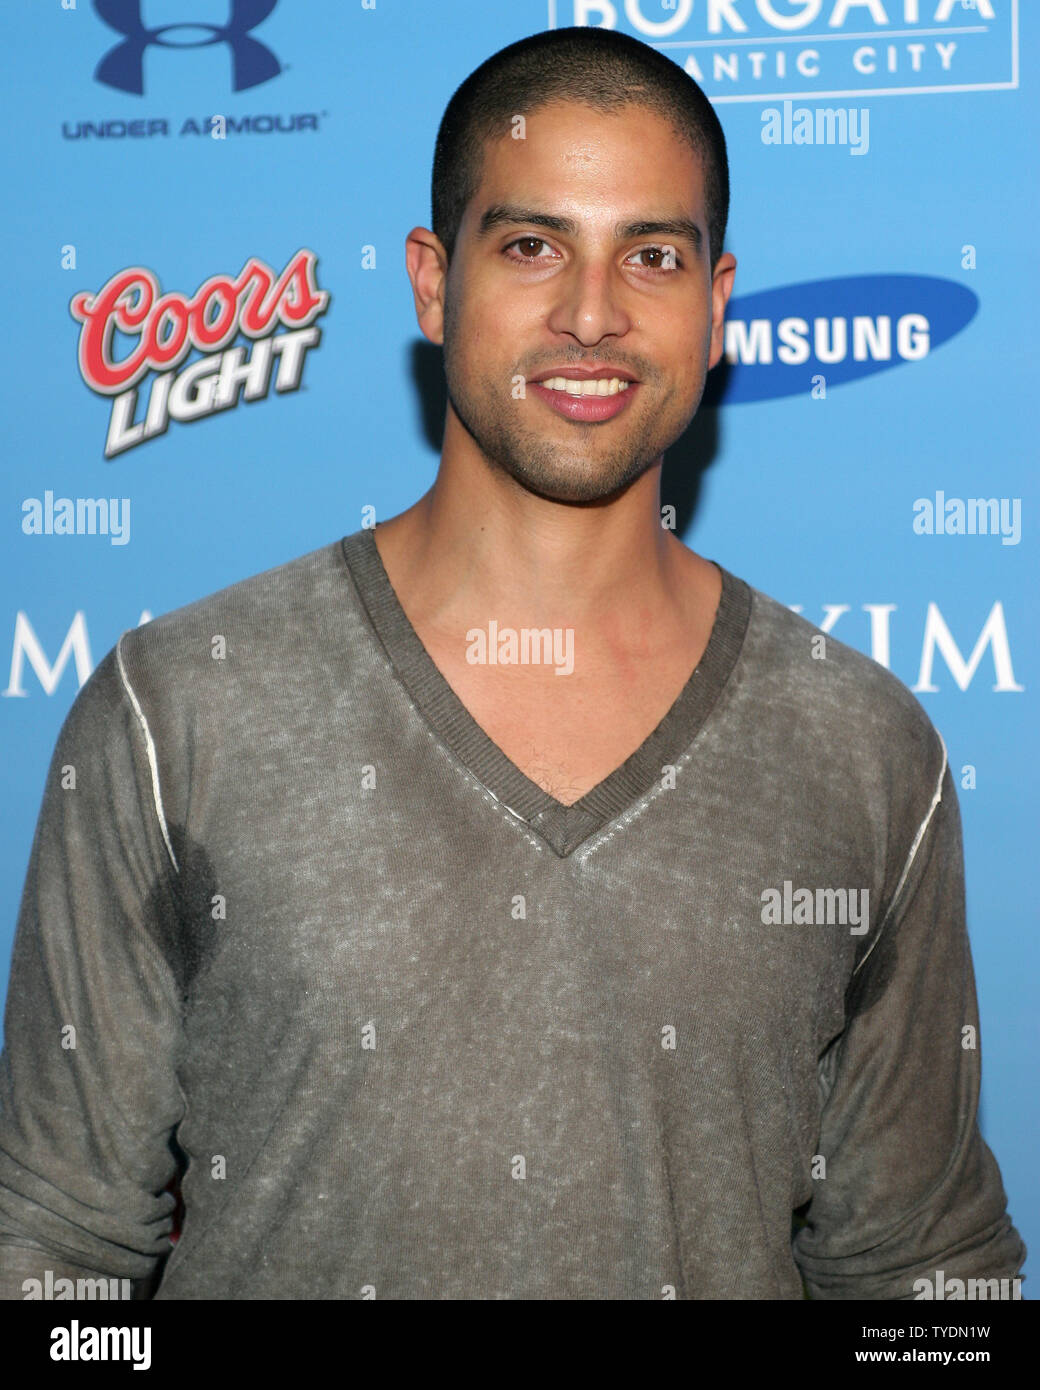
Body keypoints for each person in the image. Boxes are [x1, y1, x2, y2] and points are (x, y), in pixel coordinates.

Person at [0, 26, 1025, 1301]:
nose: (590, 314)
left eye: (651, 256)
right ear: (434, 283)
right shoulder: (179, 706)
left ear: (715, 310)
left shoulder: (861, 745)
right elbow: (55, 1263)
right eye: (531, 245)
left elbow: (919, 1274)